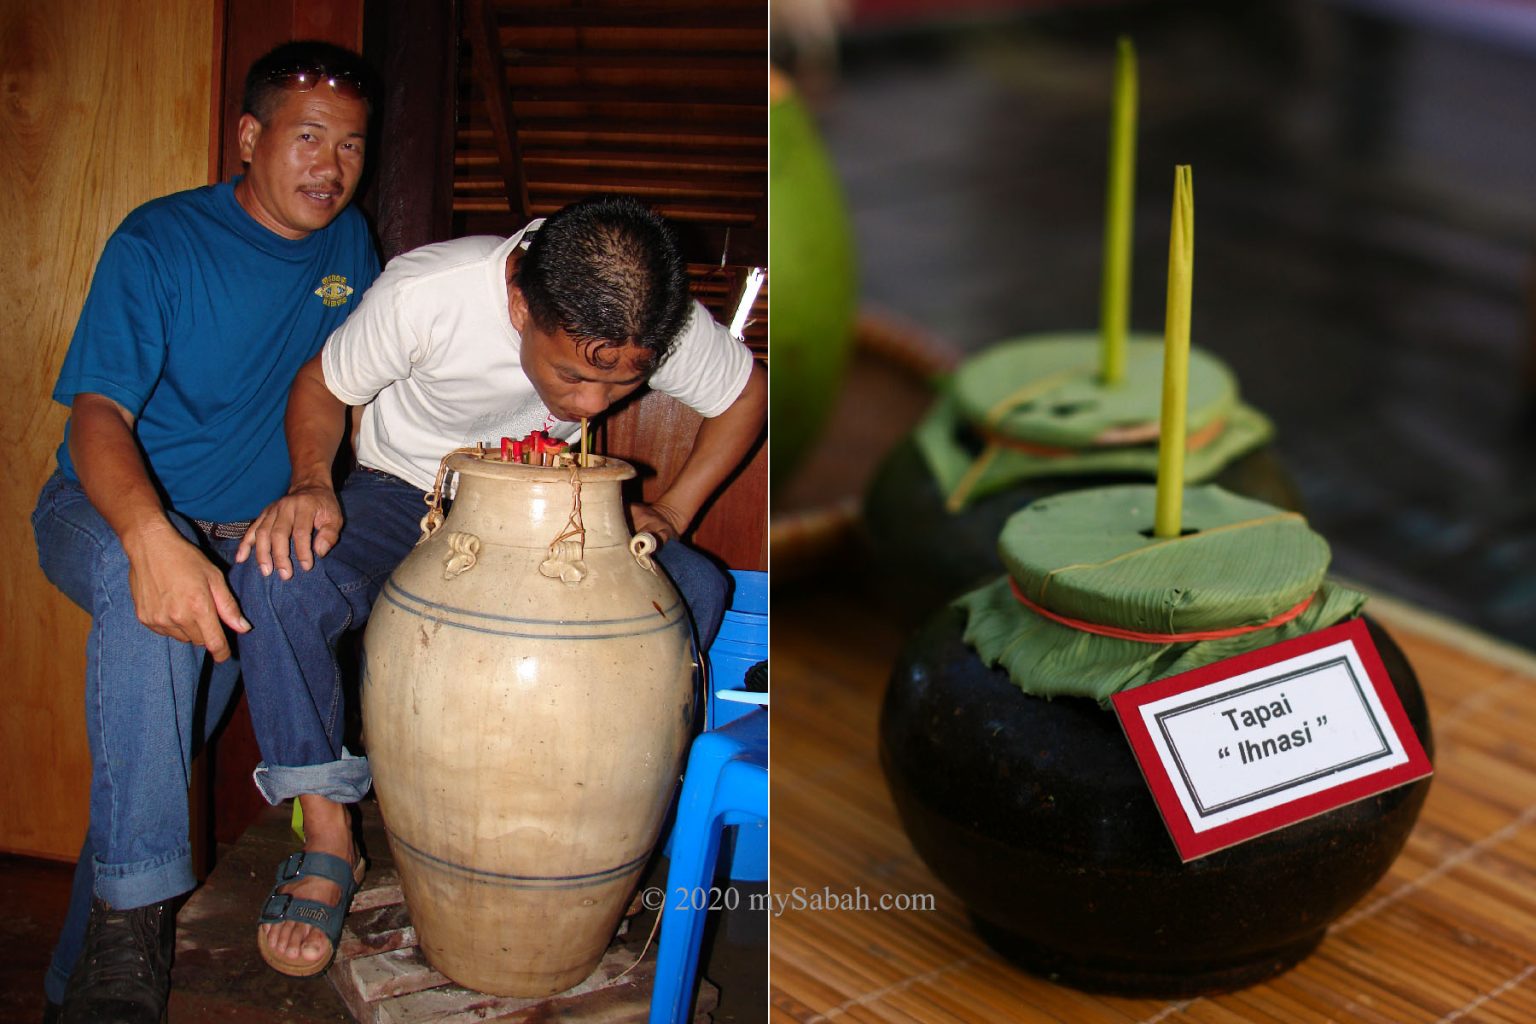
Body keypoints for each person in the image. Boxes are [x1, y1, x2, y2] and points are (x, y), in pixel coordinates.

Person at [231, 194, 767, 975]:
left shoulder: (650, 313)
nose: (590, 403)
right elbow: (321, 384)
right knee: (279, 577)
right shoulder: (429, 295)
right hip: (405, 492)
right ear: (520, 302)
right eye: (572, 374)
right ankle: (327, 837)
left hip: (554, 498)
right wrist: (313, 482)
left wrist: (677, 511)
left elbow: (744, 394)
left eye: (621, 383)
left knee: (690, 590)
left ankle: (596, 827)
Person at [31, 41, 379, 1023]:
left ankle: (84, 988)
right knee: (147, 629)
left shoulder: (349, 248)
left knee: (146, 761)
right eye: (308, 137)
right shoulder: (159, 241)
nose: (332, 165)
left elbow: (346, 380)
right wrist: (150, 538)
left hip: (243, 549)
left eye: (352, 145)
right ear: (248, 137)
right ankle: (131, 954)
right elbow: (95, 414)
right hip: (109, 513)